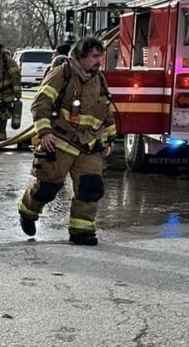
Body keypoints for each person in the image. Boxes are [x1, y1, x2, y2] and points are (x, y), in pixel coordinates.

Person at [18, 36, 117, 246]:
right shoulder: (61, 74)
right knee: (47, 188)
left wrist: (109, 138)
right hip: (60, 141)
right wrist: (44, 132)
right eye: (94, 56)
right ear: (81, 56)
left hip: (89, 144)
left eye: (101, 56)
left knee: (90, 187)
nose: (99, 61)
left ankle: (82, 231)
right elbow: (40, 104)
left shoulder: (99, 80)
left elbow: (106, 112)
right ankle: (27, 211)